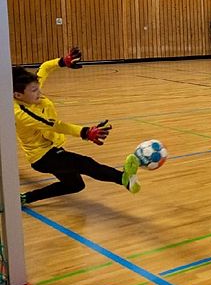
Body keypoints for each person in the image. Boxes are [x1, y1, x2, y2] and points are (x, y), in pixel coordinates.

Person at [13, 47, 142, 204]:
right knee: (85, 163)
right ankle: (124, 179)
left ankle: (25, 198)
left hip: (53, 149)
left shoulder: (27, 89)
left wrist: (62, 62)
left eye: (38, 87)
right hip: (43, 157)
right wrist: (85, 132)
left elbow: (45, 67)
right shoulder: (21, 113)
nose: (39, 92)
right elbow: (53, 125)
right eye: (34, 90)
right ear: (18, 95)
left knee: (75, 185)